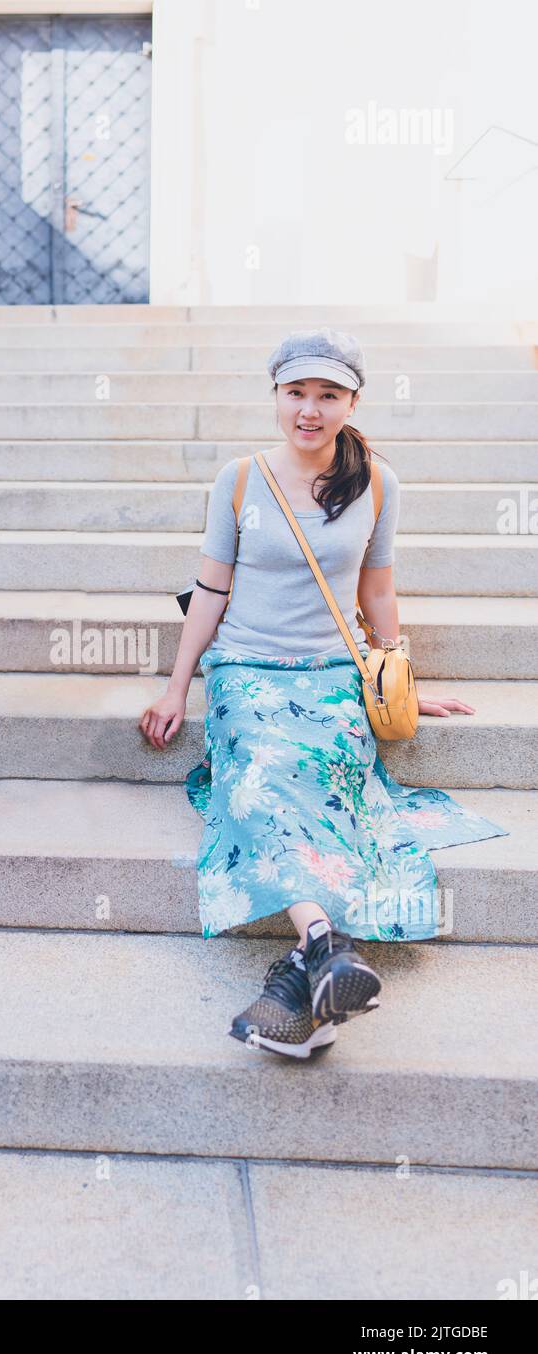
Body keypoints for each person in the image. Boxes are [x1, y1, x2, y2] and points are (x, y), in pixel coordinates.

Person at [138, 326, 510, 1060]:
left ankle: (307, 967)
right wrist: (178, 686)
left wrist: (392, 678)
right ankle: (324, 940)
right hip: (247, 669)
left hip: (333, 674)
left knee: (330, 780)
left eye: (327, 394)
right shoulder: (239, 478)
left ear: (351, 400)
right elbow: (210, 589)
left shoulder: (377, 480)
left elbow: (376, 586)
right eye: (295, 392)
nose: (309, 410)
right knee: (258, 774)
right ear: (276, 395)